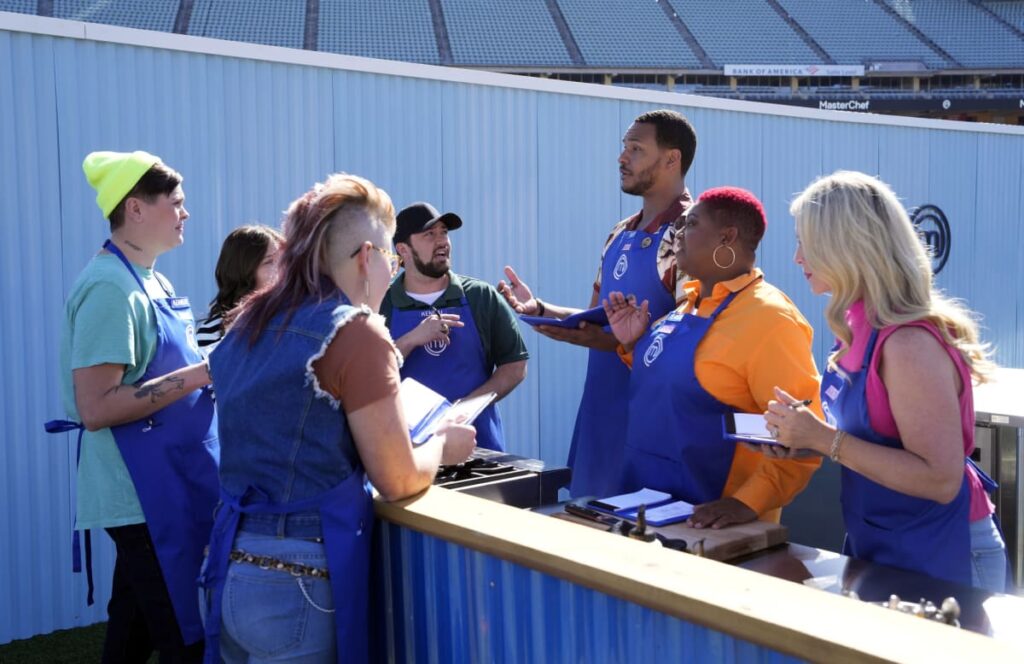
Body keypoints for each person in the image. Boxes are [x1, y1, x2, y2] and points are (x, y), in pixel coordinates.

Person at [200, 174, 476, 663]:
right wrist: (442, 444)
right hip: (298, 580)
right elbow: (397, 479)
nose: (392, 272)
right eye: (392, 259)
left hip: (229, 567)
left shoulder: (249, 321)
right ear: (368, 257)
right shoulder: (356, 330)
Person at [766, 171, 1008, 590]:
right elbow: (872, 442)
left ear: (845, 245)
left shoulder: (907, 343)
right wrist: (802, 438)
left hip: (944, 550)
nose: (797, 258)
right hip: (886, 543)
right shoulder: (859, 326)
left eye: (805, 243)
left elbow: (940, 479)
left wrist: (823, 439)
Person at [56, 150, 218, 662]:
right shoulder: (110, 288)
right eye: (176, 202)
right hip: (142, 494)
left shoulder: (151, 279)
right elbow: (96, 408)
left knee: (132, 633)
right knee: (183, 639)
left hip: (166, 484)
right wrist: (204, 373)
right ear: (135, 208)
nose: (186, 213)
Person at [499, 109, 696, 496]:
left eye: (636, 149)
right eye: (624, 147)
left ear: (672, 159)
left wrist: (606, 340)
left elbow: (690, 340)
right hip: (601, 421)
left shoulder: (690, 234)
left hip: (654, 430)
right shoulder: (619, 233)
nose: (622, 158)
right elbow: (598, 318)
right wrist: (542, 311)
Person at [604, 187, 821, 528]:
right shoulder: (686, 307)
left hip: (713, 526)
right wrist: (634, 346)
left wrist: (746, 502)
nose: (677, 233)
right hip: (644, 505)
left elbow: (803, 436)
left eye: (690, 224)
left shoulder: (771, 318)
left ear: (727, 237)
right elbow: (669, 392)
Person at [381, 202, 528, 451]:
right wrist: (411, 339)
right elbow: (365, 376)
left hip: (479, 450)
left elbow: (515, 366)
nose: (442, 242)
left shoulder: (480, 296)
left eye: (444, 233)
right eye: (430, 234)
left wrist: (464, 409)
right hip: (406, 453)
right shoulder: (381, 304)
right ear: (403, 249)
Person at [196, 224, 284, 354]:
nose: (281, 268)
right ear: (244, 273)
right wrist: (236, 334)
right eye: (269, 262)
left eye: (283, 260)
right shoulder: (212, 330)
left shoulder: (299, 314)